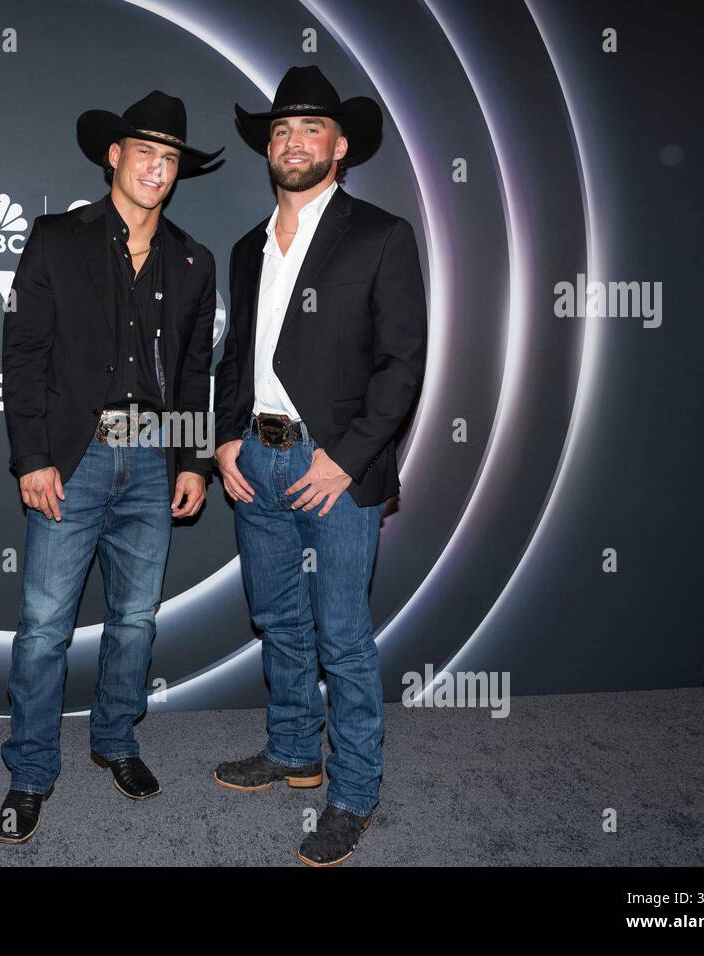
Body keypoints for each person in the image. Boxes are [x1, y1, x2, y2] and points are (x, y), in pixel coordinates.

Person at [211, 66, 427, 866]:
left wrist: (347, 458)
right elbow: (238, 356)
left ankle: (353, 793)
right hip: (255, 467)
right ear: (268, 150)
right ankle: (294, 750)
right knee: (277, 621)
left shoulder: (380, 235)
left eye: (309, 130)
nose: (292, 141)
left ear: (340, 148)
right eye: (279, 131)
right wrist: (224, 439)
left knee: (342, 635)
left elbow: (403, 364)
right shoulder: (246, 247)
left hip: (334, 469)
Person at [0, 90, 222, 844]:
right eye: (145, 152)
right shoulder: (58, 240)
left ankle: (116, 742)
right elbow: (23, 355)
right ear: (113, 157)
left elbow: (195, 372)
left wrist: (192, 460)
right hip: (77, 457)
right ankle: (30, 771)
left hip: (155, 461)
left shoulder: (195, 260)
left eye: (171, 157)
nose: (158, 167)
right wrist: (32, 456)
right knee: (44, 626)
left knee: (133, 619)